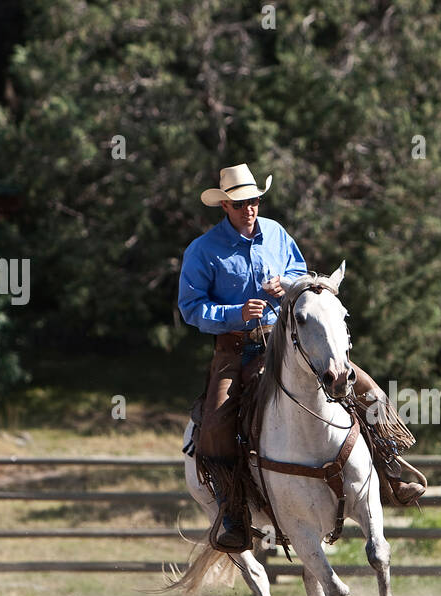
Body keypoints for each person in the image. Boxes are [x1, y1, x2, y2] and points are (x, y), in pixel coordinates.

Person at [178, 163, 426, 552]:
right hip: (235, 349)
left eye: (255, 201)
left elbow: (303, 277)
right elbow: (191, 308)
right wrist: (235, 314)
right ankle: (232, 510)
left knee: (367, 389)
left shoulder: (276, 234)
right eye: (241, 203)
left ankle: (389, 466)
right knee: (216, 421)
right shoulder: (203, 251)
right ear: (225, 205)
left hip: (287, 342)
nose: (250, 209)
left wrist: (285, 287)